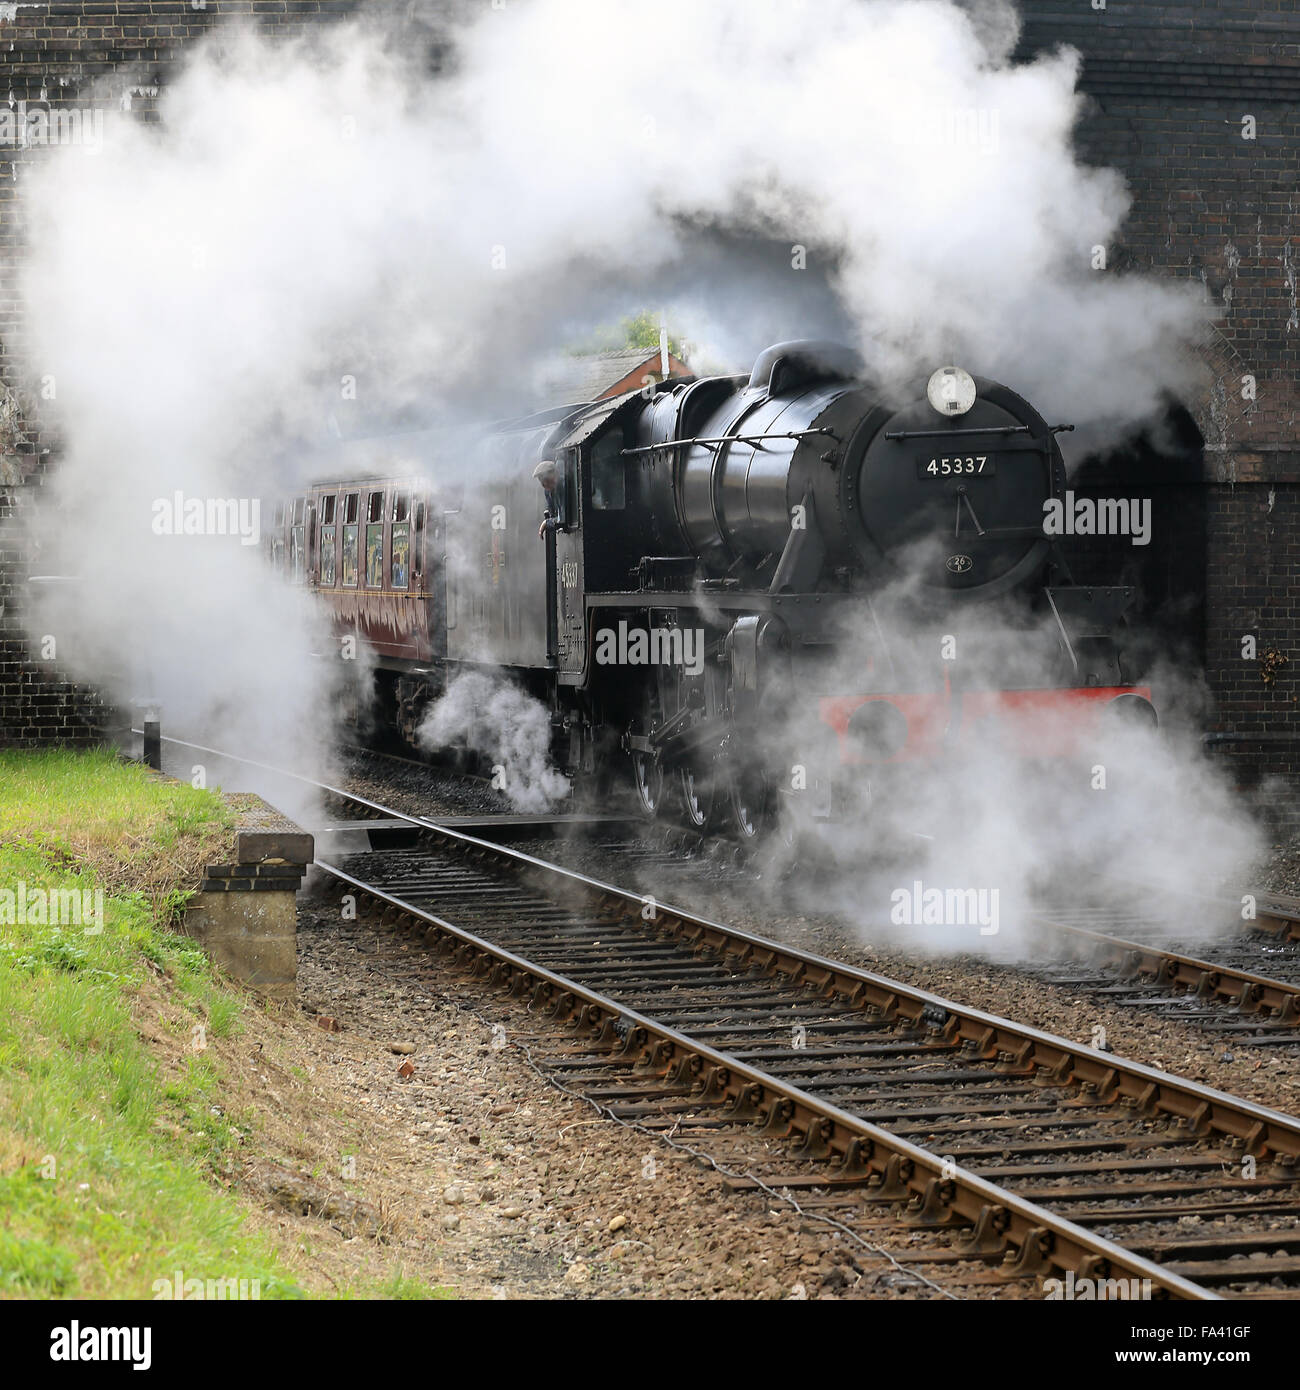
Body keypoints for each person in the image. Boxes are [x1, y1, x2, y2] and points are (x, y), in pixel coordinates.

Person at [533, 458, 559, 538]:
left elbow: (564, 519)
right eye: (541, 480)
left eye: (546, 479)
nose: (544, 483)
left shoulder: (564, 487)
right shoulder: (548, 492)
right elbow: (553, 515)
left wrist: (546, 523)